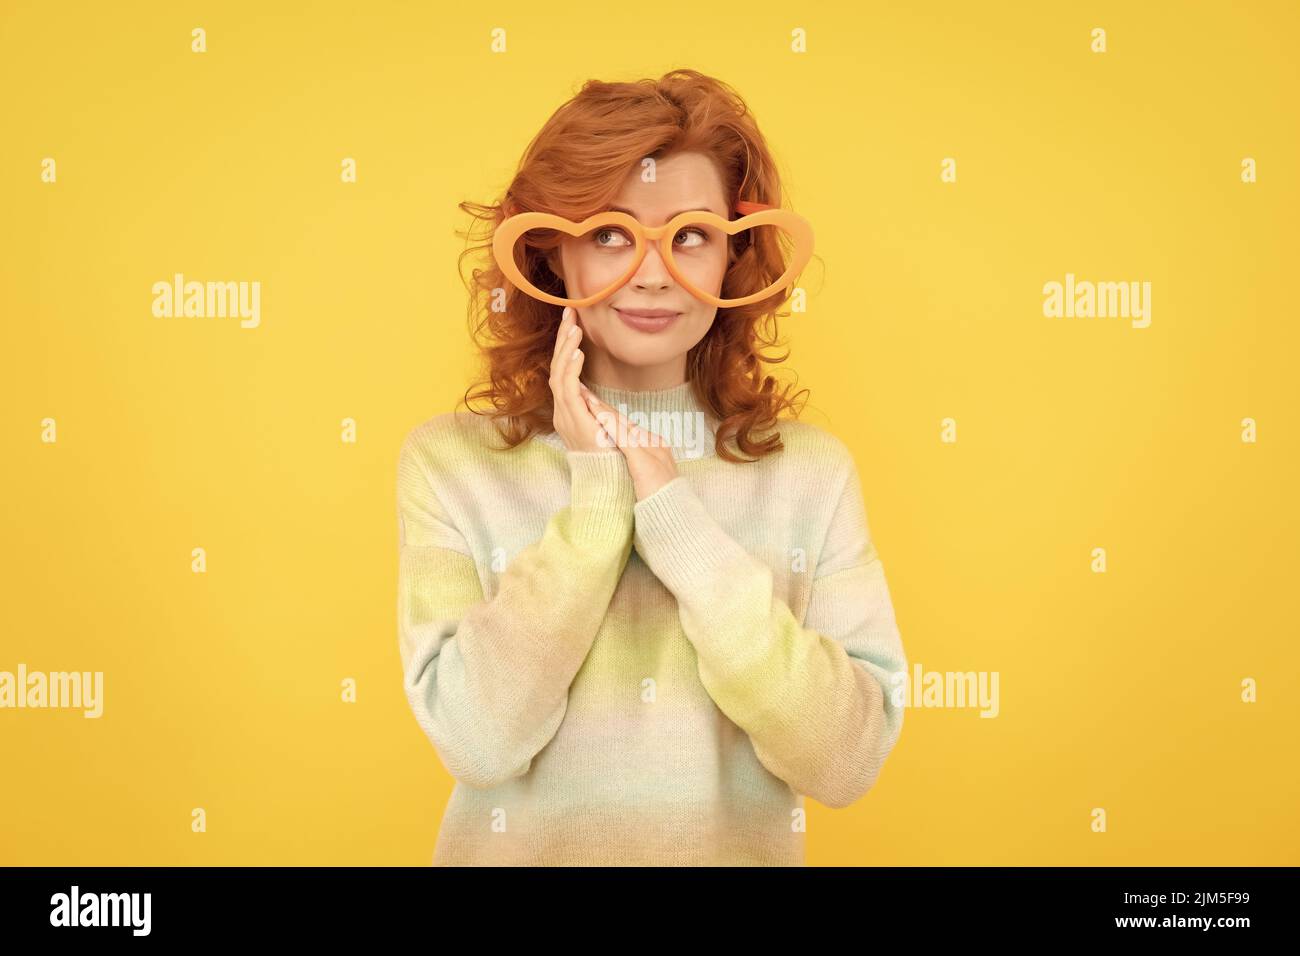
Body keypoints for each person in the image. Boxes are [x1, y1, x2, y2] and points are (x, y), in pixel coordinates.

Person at [396, 69, 907, 866]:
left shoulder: (811, 474)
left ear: (732, 258)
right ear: (551, 252)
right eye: (608, 233)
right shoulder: (451, 464)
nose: (653, 272)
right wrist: (597, 506)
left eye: (692, 235)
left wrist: (673, 517)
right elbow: (478, 741)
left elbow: (845, 760)